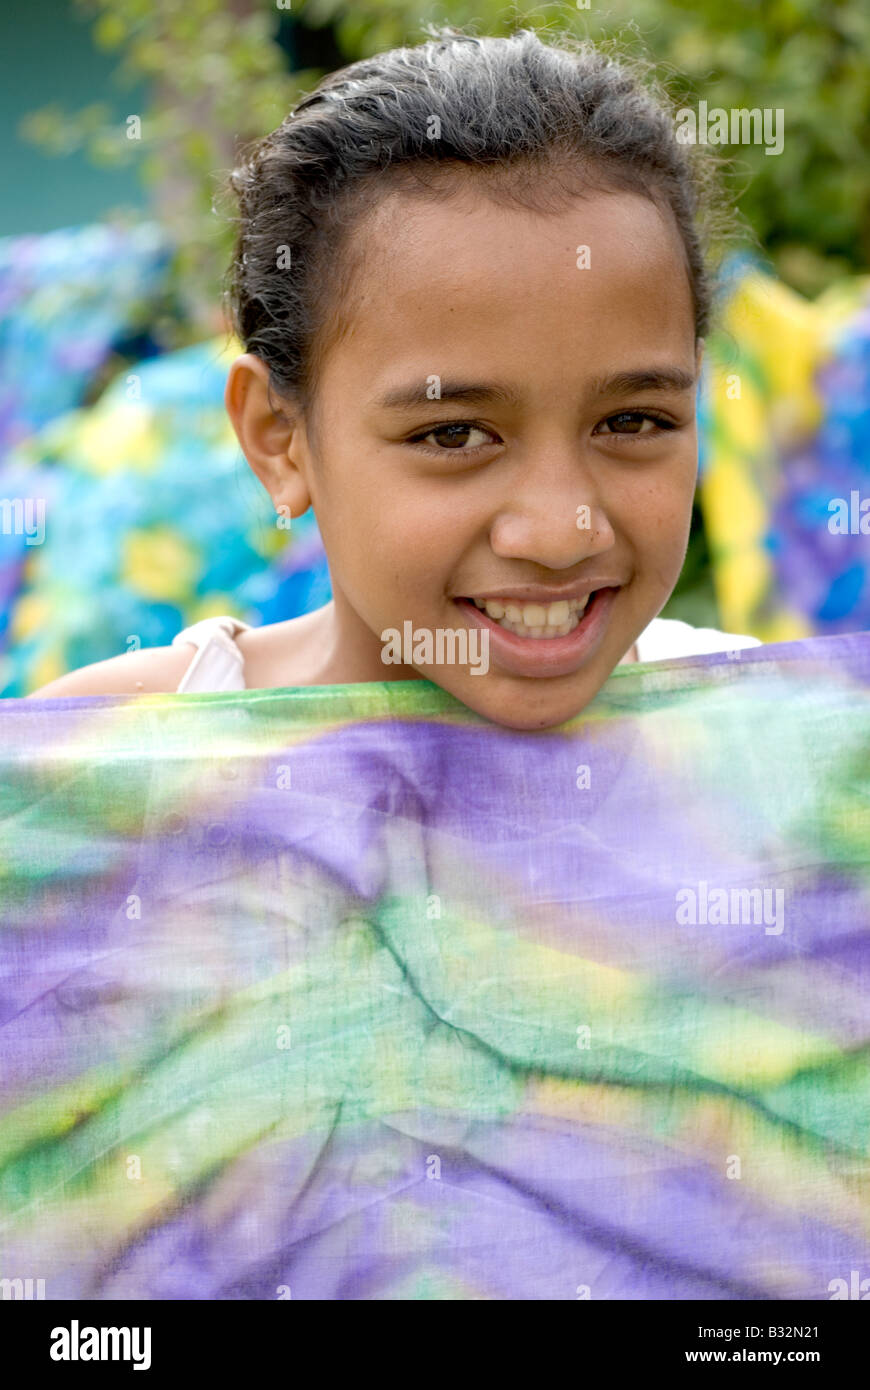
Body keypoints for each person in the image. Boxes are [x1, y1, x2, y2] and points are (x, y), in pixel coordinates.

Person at [30, 26, 759, 730]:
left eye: (632, 421)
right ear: (280, 439)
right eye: (453, 433)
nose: (559, 534)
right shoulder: (109, 759)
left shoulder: (768, 743)